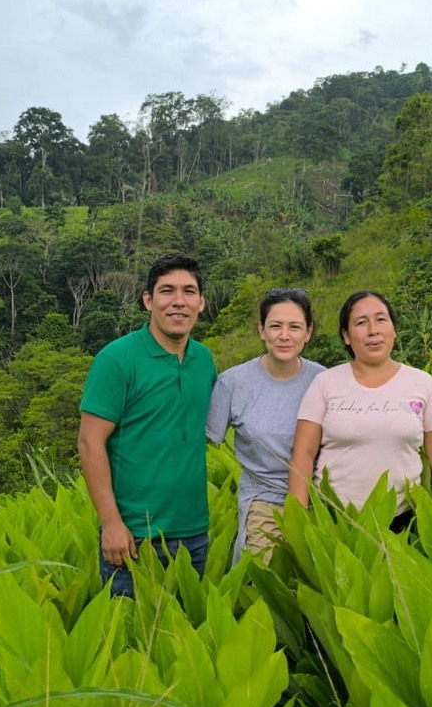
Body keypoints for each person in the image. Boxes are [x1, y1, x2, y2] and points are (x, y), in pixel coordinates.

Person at [77, 253, 217, 596]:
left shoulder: (204, 359)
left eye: (189, 291)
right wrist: (111, 524)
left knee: (185, 642)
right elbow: (89, 443)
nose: (179, 302)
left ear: (201, 302)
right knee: (130, 643)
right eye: (167, 291)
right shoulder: (116, 359)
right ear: (148, 300)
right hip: (134, 537)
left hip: (194, 533)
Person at [288, 289, 432, 531]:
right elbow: (303, 454)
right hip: (334, 519)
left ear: (393, 329)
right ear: (346, 336)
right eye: (361, 323)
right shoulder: (325, 383)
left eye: (381, 319)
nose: (373, 330)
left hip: (403, 519)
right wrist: (300, 521)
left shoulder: (422, 384)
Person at [207, 287, 325, 562]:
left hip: (320, 500)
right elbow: (205, 440)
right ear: (261, 330)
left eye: (295, 327)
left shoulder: (323, 380)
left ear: (308, 332)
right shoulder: (232, 383)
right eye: (275, 326)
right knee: (266, 585)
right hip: (263, 500)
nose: (284, 335)